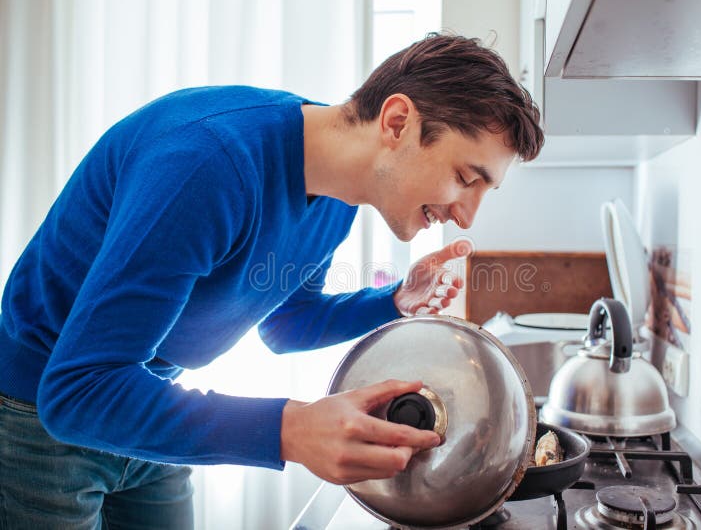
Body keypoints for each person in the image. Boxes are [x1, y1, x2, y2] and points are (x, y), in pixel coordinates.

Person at [0, 33, 543, 528]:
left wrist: (394, 302)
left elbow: (285, 325)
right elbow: (74, 392)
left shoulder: (338, 195)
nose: (467, 215)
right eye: (465, 178)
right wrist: (290, 430)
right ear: (397, 122)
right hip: (41, 421)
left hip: (144, 400)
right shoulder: (208, 165)